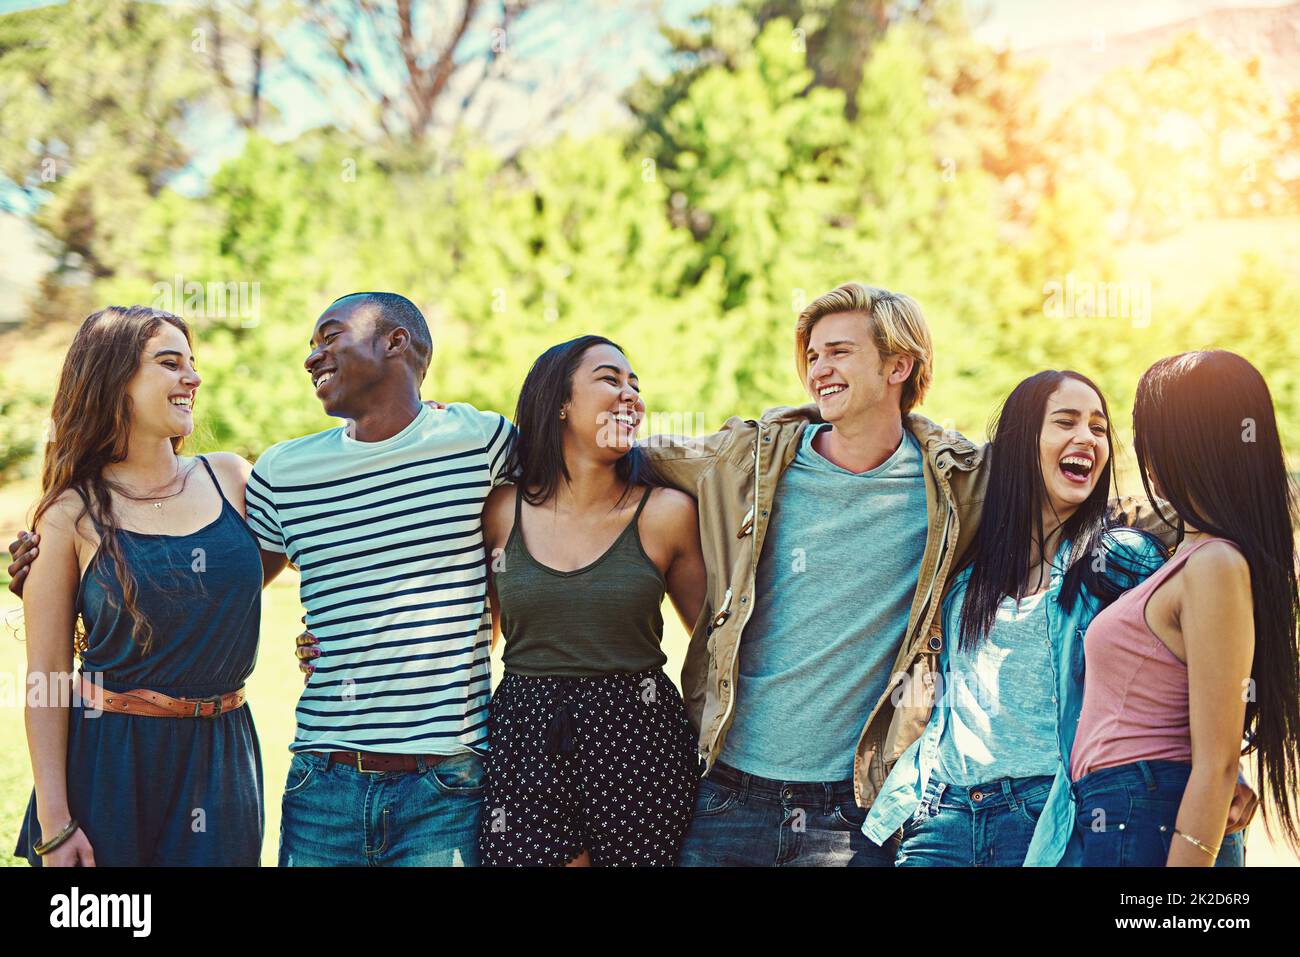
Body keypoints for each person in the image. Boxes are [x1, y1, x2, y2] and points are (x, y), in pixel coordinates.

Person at [862, 370, 1250, 866]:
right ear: (1023, 443)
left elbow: (1184, 680)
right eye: (1066, 421)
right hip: (944, 819)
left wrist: (1226, 776)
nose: (1086, 438)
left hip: (1051, 814)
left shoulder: (1124, 562)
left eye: (1098, 427)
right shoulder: (963, 571)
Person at [242, 291, 513, 867]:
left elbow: (585, 497)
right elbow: (221, 591)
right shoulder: (282, 473)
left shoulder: (481, 441)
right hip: (323, 782)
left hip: (445, 785)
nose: (312, 358)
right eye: (311, 347)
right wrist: (68, 562)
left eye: (329, 336)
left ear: (395, 341)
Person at [13, 305, 263, 866]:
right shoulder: (69, 514)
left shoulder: (232, 479)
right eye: (170, 363)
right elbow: (46, 680)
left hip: (222, 761)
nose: (192, 378)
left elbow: (313, 559)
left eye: (192, 364)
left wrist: (416, 424)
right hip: (108, 762)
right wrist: (55, 824)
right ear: (114, 380)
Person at [477, 335, 706, 866]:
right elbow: (470, 632)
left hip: (640, 737)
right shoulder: (501, 510)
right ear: (559, 401)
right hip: (523, 737)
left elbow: (717, 641)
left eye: (636, 385)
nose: (631, 395)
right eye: (610, 379)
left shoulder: (667, 512)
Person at [1071, 351, 1300, 866]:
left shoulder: (1215, 563)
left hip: (1148, 812)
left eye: (1148, 433)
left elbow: (1217, 763)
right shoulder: (1190, 556)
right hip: (1124, 809)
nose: (1141, 452)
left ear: (1181, 444)